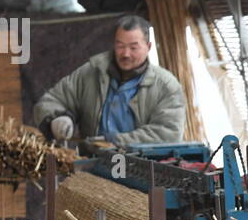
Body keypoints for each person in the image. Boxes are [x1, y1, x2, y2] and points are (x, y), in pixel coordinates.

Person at [34, 15, 186, 145]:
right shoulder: (91, 73)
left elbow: (168, 134)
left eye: (134, 48)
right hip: (93, 167)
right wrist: (56, 119)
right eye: (120, 46)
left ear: (148, 46)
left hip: (144, 169)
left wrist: (115, 141)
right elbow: (51, 100)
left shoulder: (166, 86)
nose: (125, 54)